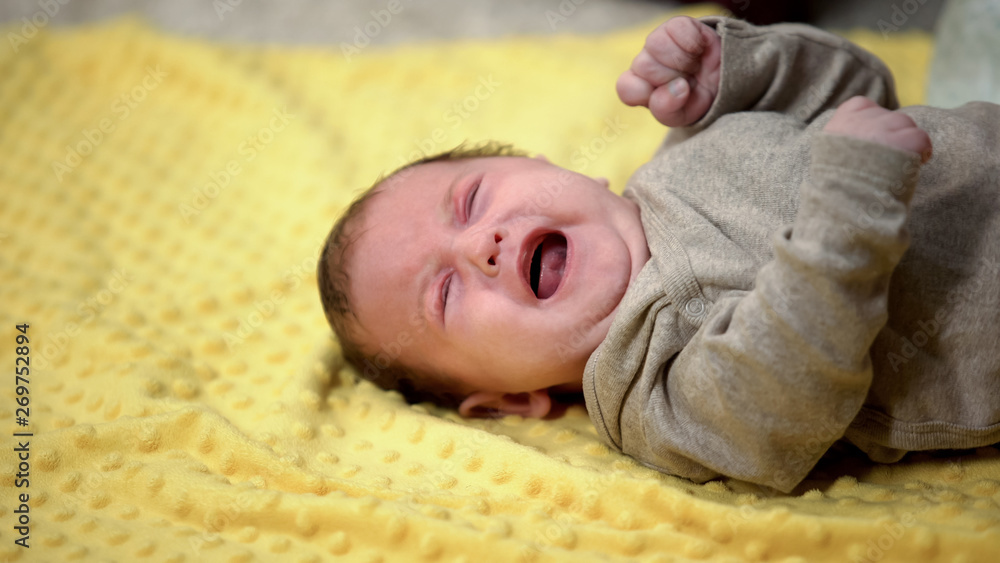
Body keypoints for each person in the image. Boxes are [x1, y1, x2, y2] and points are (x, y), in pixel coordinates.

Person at [318, 15, 1000, 492]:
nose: (481, 245)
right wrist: (849, 203)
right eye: (444, 294)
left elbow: (860, 94)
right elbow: (782, 396)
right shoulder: (643, 390)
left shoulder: (688, 142)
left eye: (471, 201)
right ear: (508, 401)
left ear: (547, 164)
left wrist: (737, 68)